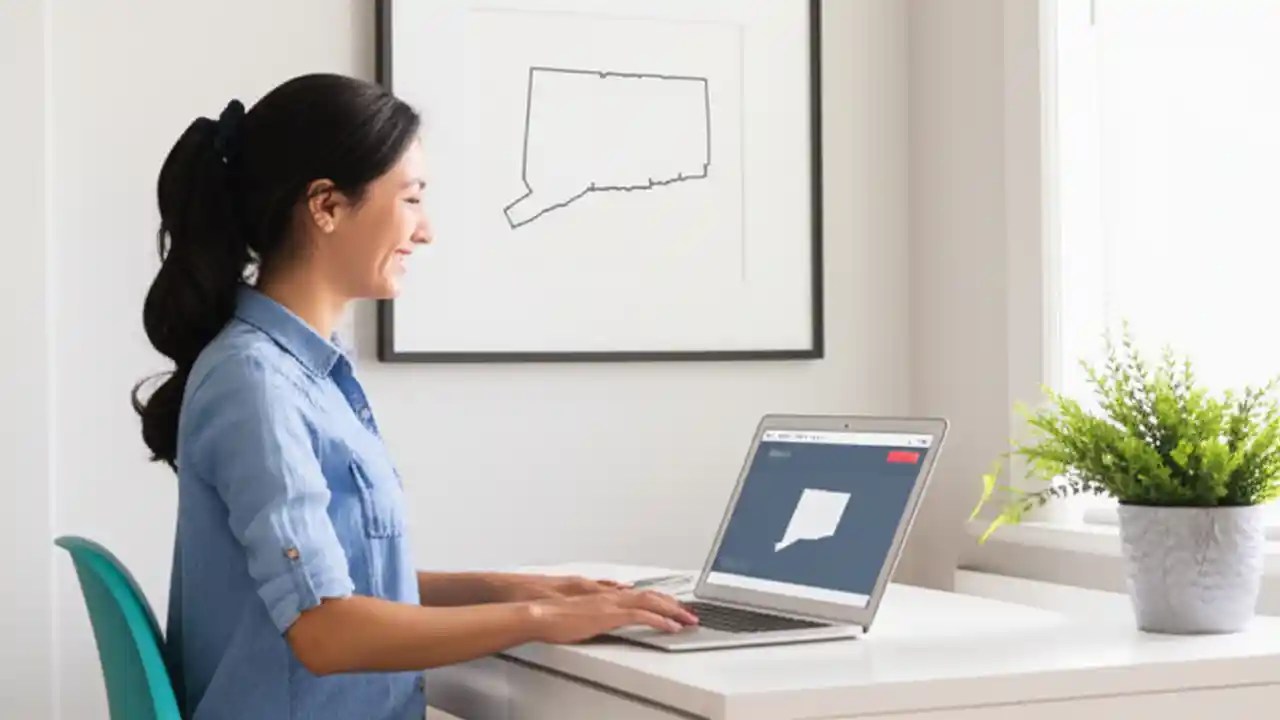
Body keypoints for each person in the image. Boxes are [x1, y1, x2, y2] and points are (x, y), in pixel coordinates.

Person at [132, 73, 697, 720]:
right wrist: (537, 618)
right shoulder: (256, 382)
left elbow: (352, 592)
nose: (424, 231)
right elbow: (325, 630)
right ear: (326, 205)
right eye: (411, 199)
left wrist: (520, 590)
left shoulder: (303, 375)